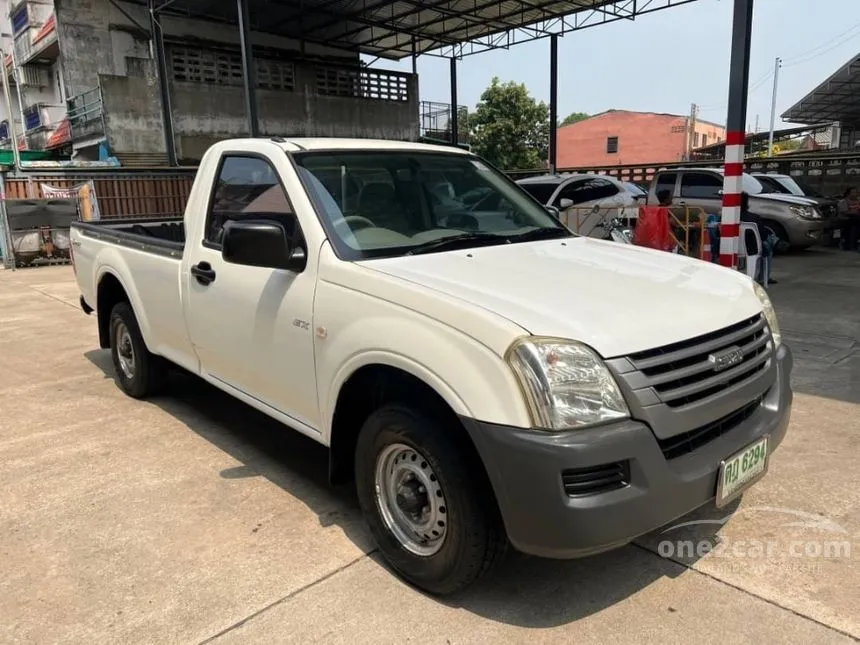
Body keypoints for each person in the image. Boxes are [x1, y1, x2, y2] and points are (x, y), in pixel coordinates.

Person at [740, 192, 778, 286]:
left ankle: (774, 241)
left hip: (732, 247)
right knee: (768, 244)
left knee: (768, 241)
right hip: (752, 248)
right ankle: (764, 277)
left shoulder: (725, 217)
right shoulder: (754, 218)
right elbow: (762, 235)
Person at [837, 186, 860, 251]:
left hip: (855, 220)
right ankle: (852, 245)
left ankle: (852, 245)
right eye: (853, 192)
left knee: (856, 226)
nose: (855, 194)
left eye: (856, 192)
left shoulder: (858, 201)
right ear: (848, 193)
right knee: (855, 220)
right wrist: (854, 212)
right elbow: (845, 212)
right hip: (845, 219)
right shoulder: (843, 201)